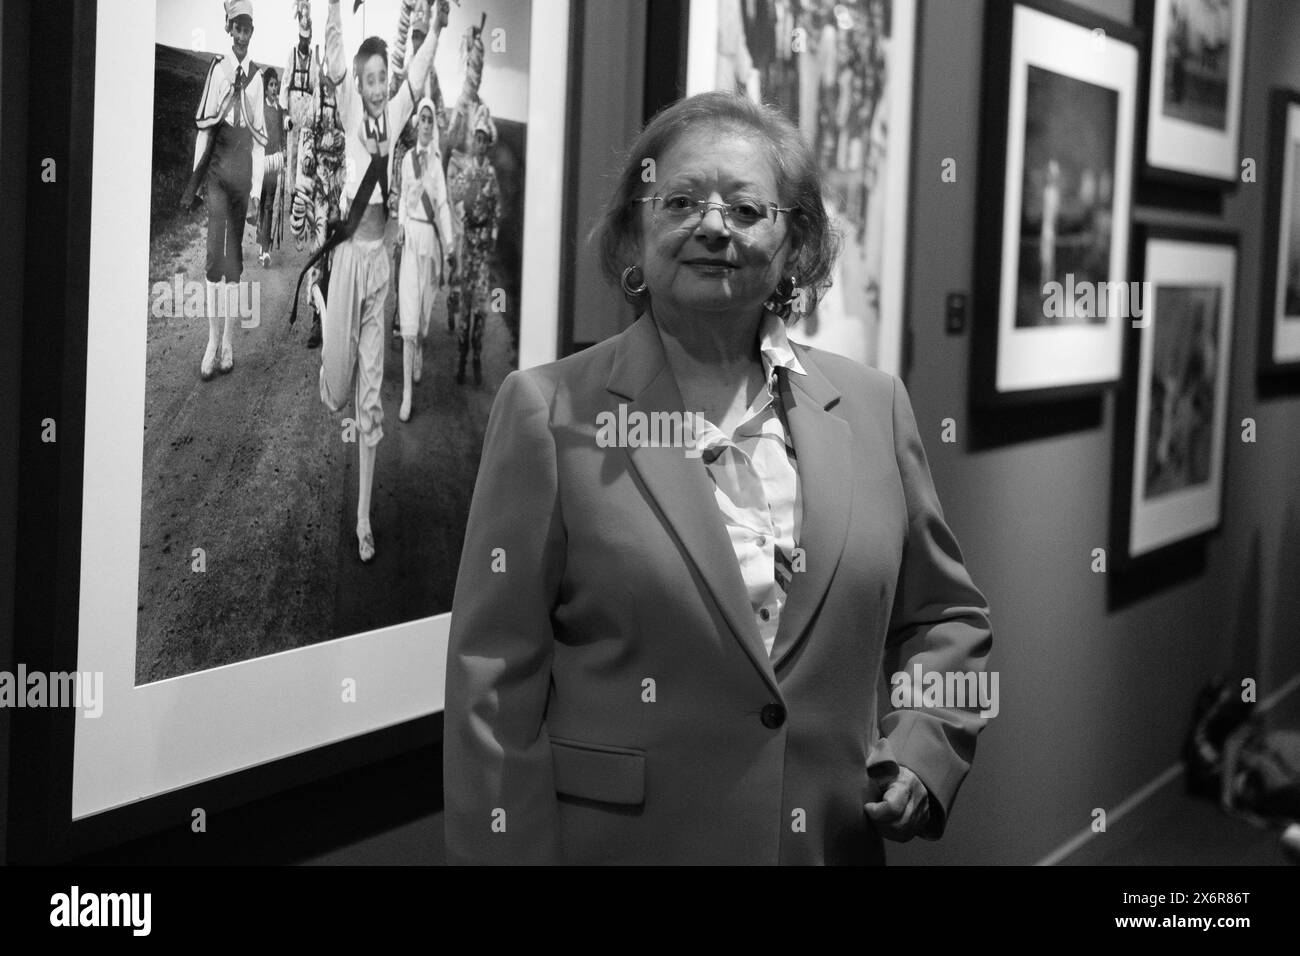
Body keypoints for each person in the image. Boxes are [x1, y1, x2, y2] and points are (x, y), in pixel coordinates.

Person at [443, 91, 994, 865]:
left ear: (795, 244)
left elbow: (946, 619)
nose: (712, 226)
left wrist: (923, 750)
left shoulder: (874, 408)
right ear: (635, 233)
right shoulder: (547, 411)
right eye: (680, 201)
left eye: (745, 209)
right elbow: (491, 692)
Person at [313, 0, 446, 562]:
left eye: (379, 80)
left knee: (370, 401)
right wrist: (338, 6)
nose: (374, 86)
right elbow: (337, 54)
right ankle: (324, 312)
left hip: (380, 267)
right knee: (338, 390)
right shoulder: (347, 108)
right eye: (368, 80)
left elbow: (416, 75)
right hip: (345, 261)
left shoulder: (393, 116)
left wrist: (436, 25)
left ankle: (363, 517)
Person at [189, 0, 266, 380]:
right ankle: (211, 342)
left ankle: (229, 344)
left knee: (233, 261)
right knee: (211, 261)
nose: (241, 35)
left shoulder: (258, 79)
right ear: (227, 28)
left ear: (252, 33)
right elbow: (205, 128)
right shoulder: (218, 71)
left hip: (242, 177)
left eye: (247, 28)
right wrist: (196, 182)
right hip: (218, 175)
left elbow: (259, 141)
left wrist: (254, 195)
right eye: (236, 27)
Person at [396, 98, 455, 421]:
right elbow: (405, 198)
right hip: (411, 240)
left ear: (434, 126)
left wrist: (449, 242)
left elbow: (443, 205)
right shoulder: (407, 160)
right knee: (407, 315)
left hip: (430, 243)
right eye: (423, 120)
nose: (427, 125)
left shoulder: (435, 162)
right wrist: (402, 226)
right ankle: (407, 394)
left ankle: (419, 344)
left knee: (422, 312)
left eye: (432, 120)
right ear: (417, 124)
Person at [447, 104, 499, 386]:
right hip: (468, 245)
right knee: (465, 306)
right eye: (476, 139)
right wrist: (461, 212)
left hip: (482, 251)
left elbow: (496, 209)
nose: (479, 144)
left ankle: (477, 356)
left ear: (488, 145)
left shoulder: (491, 175)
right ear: (473, 142)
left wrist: (492, 236)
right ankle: (461, 358)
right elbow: (454, 194)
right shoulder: (467, 171)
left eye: (483, 140)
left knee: (481, 307)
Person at [256, 68, 287, 267]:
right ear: (265, 88)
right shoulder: (260, 109)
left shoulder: (279, 110)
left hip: (274, 162)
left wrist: (283, 154)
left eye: (276, 85)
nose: (274, 88)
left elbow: (283, 135)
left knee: (269, 204)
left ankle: (265, 250)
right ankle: (262, 243)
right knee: (261, 205)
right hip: (261, 162)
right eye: (271, 85)